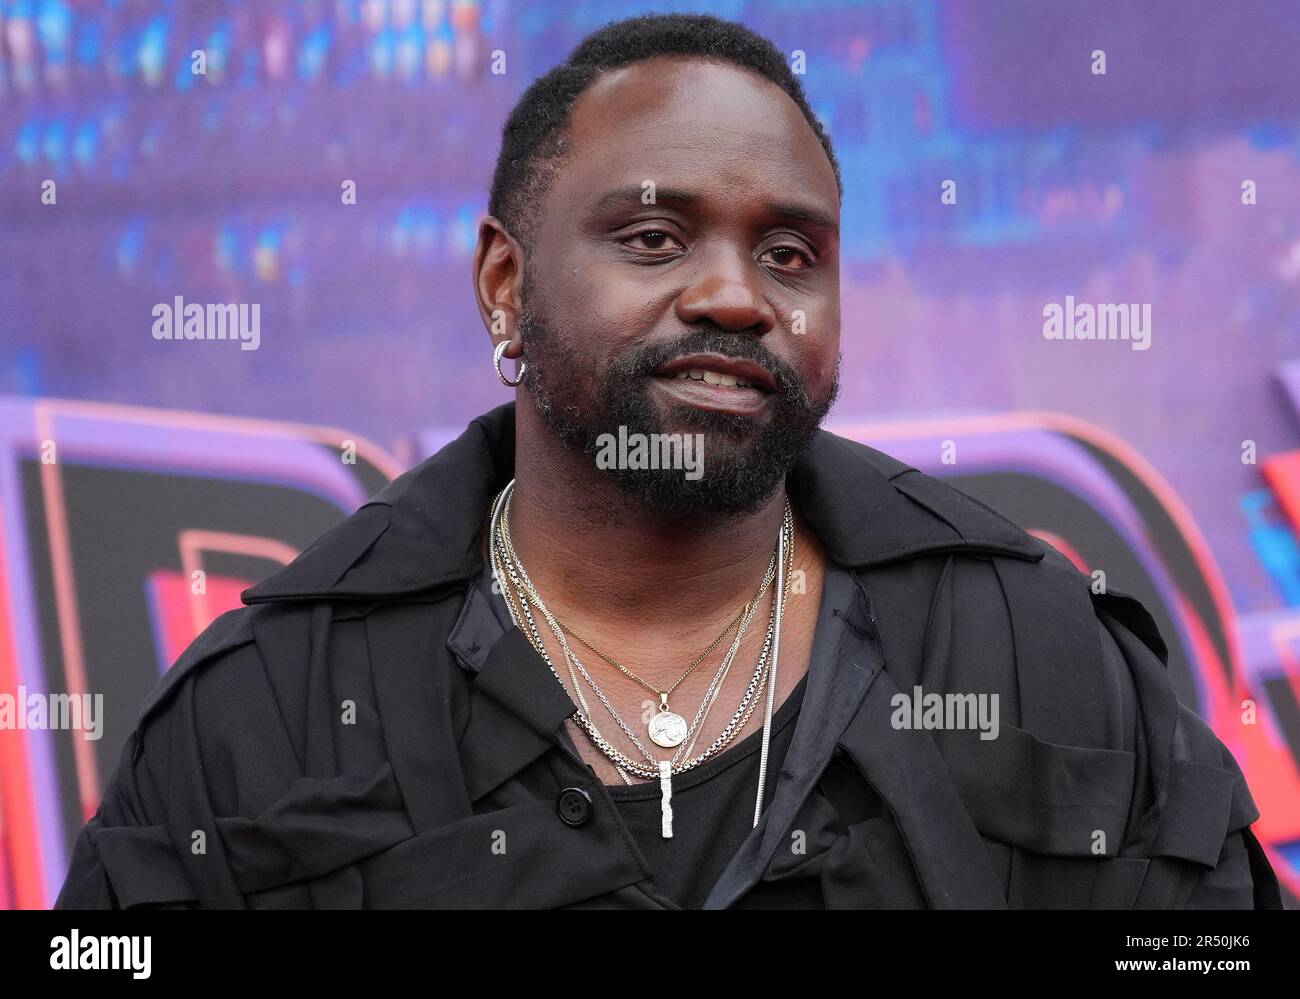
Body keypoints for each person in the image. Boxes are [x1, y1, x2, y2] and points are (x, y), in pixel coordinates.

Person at [56, 13, 1281, 910]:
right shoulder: (261, 710)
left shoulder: (1037, 650)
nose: (734, 296)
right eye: (652, 237)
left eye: (791, 255)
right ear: (505, 285)